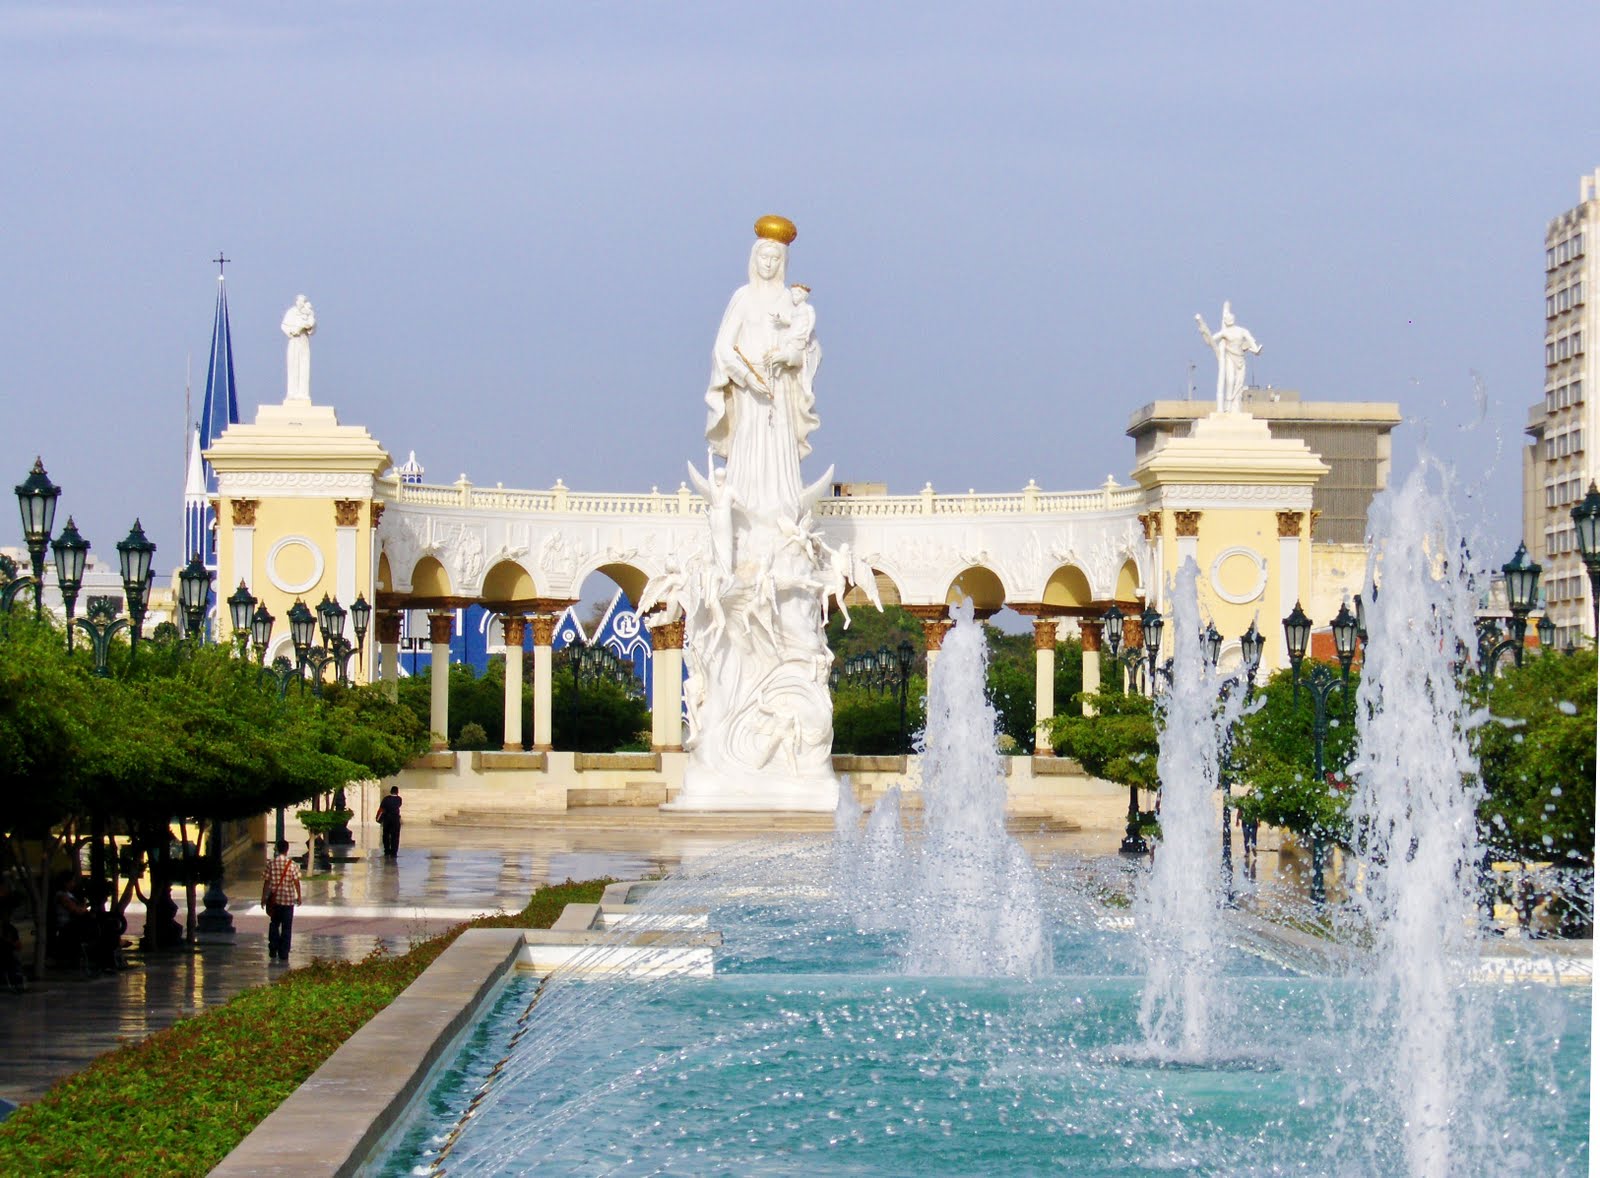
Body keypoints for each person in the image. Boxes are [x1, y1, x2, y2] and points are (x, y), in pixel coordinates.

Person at [703, 217, 821, 518]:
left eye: (774, 259)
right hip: (750, 387)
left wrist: (789, 357)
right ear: (754, 258)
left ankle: (783, 513)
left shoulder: (791, 300)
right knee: (749, 443)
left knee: (779, 450)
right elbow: (723, 347)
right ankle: (745, 512)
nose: (767, 264)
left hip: (780, 386)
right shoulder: (743, 297)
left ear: (783, 262)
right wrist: (745, 377)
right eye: (763, 257)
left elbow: (808, 347)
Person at [1195, 301, 1263, 413]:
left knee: (1239, 383)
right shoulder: (1224, 332)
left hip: (1240, 359)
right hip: (1230, 358)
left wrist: (1255, 349)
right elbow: (1210, 340)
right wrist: (1203, 331)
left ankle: (1235, 407)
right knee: (1230, 381)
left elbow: (1250, 340)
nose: (1229, 320)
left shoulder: (1242, 331)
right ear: (1226, 321)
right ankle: (1227, 405)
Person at [261, 840, 302, 964]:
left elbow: (267, 882)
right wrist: (299, 896)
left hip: (275, 900)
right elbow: (296, 881)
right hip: (288, 901)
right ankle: (284, 952)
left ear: (277, 849)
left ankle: (273, 947)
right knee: (286, 927)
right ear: (287, 849)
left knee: (274, 924)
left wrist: (263, 897)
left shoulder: (271, 864)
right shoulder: (292, 865)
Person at [281, 294, 316, 403]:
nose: (300, 303)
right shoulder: (291, 312)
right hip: (294, 341)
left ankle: (303, 393)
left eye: (302, 301)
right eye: (299, 301)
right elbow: (284, 326)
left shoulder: (308, 312)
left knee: (304, 365)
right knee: (293, 366)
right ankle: (292, 393)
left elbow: (312, 327)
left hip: (303, 341)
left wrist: (306, 325)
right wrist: (291, 331)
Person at [376, 786, 403, 858]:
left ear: (390, 791)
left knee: (386, 835)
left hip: (387, 819)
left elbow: (381, 808)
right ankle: (394, 852)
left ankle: (387, 850)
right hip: (395, 819)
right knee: (395, 836)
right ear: (397, 792)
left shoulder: (386, 799)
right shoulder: (399, 799)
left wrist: (378, 818)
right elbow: (399, 805)